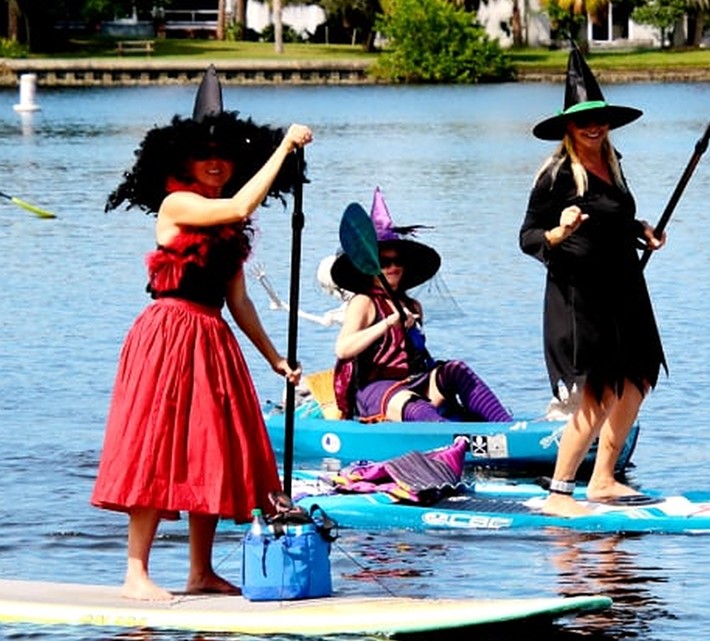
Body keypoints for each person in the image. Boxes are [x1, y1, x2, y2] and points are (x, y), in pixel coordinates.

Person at [90, 68, 312, 601]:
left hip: (212, 339)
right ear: (184, 162)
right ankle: (135, 573)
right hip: (168, 335)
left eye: (225, 155)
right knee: (157, 446)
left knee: (210, 452)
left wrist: (275, 359)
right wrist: (283, 147)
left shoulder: (231, 233)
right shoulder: (178, 206)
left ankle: (200, 571)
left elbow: (239, 302)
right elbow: (238, 204)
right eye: (204, 154)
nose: (216, 162)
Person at [519, 45, 667, 517]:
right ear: (568, 127)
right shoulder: (556, 176)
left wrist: (640, 229)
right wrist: (558, 233)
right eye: (583, 119)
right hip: (581, 295)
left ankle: (603, 479)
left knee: (639, 377)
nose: (593, 125)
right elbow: (527, 236)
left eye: (599, 117)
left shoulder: (613, 164)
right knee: (599, 390)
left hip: (625, 288)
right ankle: (560, 492)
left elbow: (613, 218)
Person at [332, 187, 512, 424]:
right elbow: (343, 349)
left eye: (398, 261)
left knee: (456, 369)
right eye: (385, 262)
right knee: (414, 406)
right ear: (370, 268)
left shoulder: (413, 305)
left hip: (413, 380)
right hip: (376, 389)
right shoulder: (364, 302)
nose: (393, 267)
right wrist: (388, 323)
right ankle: (454, 438)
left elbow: (417, 355)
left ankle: (507, 428)